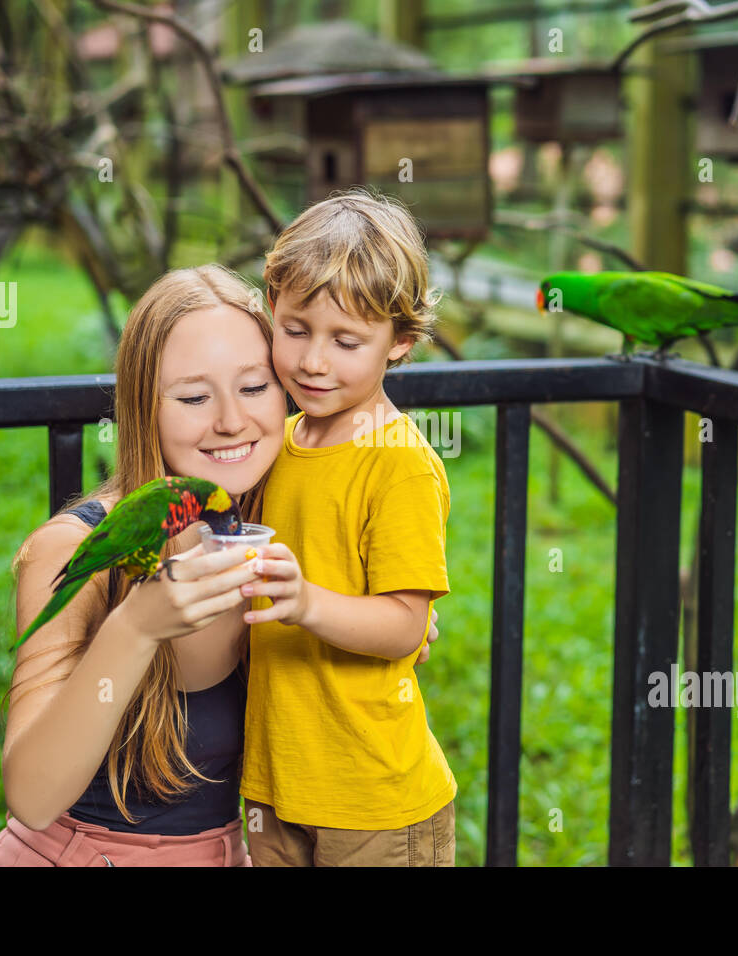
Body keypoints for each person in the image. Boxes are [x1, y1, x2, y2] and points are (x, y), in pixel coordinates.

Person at [0, 264, 440, 866]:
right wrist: (137, 626)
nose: (230, 420)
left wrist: (380, 619)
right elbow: (33, 797)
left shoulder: (277, 525)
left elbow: (393, 621)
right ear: (145, 407)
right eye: (194, 397)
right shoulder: (78, 550)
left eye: (254, 388)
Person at [236, 188, 457, 866]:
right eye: (296, 329)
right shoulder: (276, 439)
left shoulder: (400, 465)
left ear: (402, 345)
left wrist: (304, 603)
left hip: (371, 802)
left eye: (347, 341)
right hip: (271, 785)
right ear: (272, 310)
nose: (313, 361)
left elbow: (405, 627)